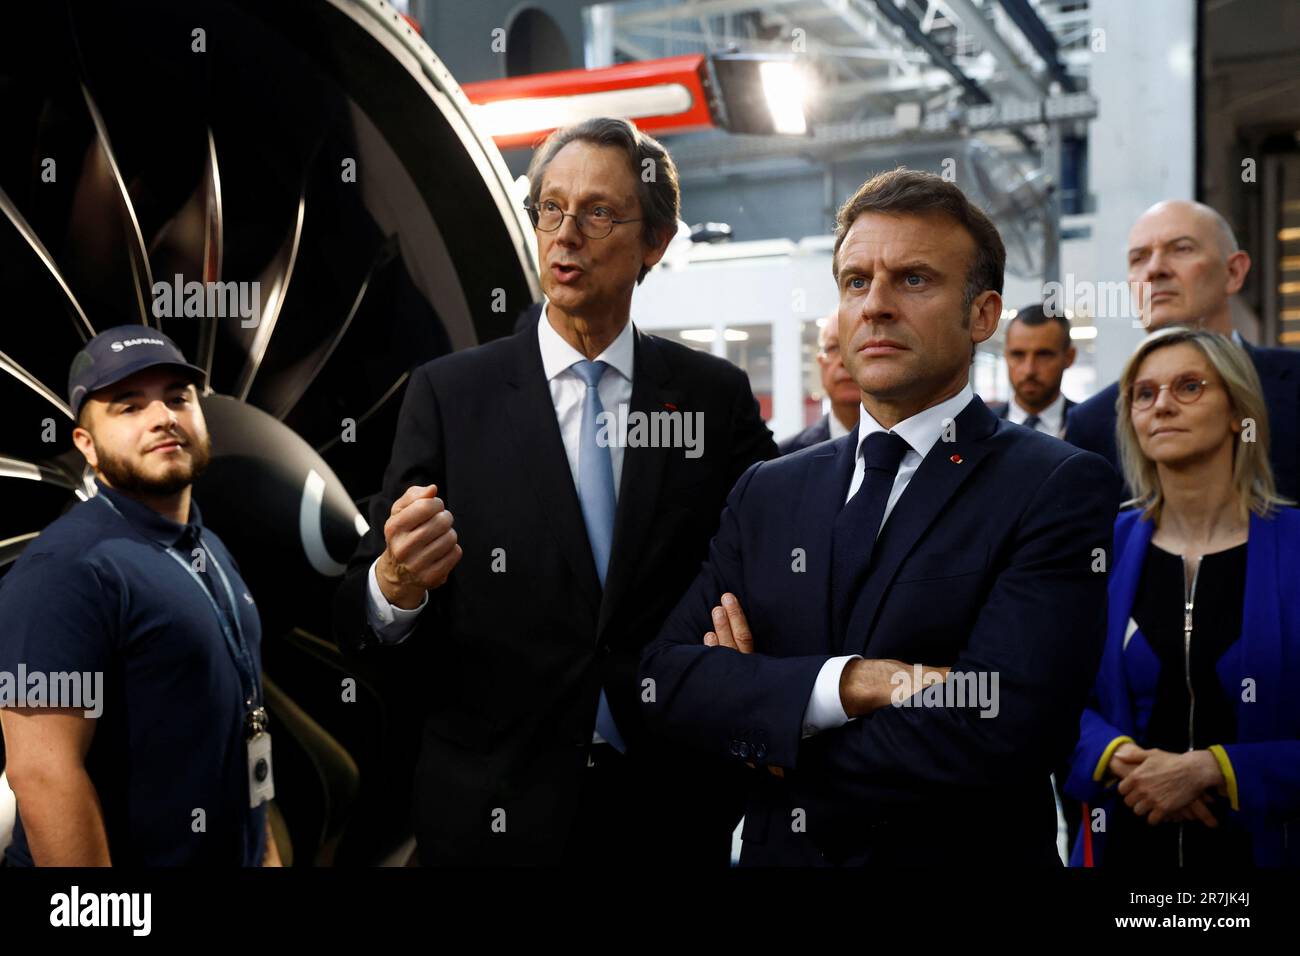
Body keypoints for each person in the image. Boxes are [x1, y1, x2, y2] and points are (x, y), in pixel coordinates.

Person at [639, 168, 1119, 867]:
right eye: (856, 282)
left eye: (914, 279)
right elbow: (667, 682)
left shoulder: (1056, 486)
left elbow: (1005, 731)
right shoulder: (768, 491)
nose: (876, 306)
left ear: (983, 314)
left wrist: (770, 721)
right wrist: (852, 683)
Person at [332, 117, 777, 866]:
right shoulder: (449, 397)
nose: (566, 234)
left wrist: (756, 636)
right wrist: (395, 584)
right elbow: (358, 611)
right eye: (550, 207)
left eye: (599, 212)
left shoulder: (710, 399)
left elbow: (767, 557)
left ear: (654, 244)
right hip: (491, 815)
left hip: (667, 810)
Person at [0, 327, 279, 866]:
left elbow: (241, 724)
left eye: (178, 398)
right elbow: (42, 772)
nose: (162, 418)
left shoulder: (208, 547)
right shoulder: (63, 572)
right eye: (129, 407)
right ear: (86, 445)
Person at [1065, 327, 1300, 867]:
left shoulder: (1292, 545)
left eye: (1189, 387)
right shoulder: (1100, 548)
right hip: (1123, 843)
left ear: (1238, 411)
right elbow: (1051, 694)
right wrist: (1116, 756)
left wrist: (1216, 771)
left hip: (1259, 852)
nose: (1162, 405)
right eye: (1144, 394)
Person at [1067, 200, 1300, 499]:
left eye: (1181, 249)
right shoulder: (1092, 425)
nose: (1155, 269)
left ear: (1233, 272)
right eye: (1139, 258)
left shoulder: (1294, 385)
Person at [985, 304, 1076, 437]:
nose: (1029, 370)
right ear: (1006, 355)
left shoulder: (1093, 427)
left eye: (1043, 355)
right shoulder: (980, 427)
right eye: (1018, 354)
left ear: (1069, 357)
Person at [780, 315, 860, 453]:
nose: (844, 361)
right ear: (821, 363)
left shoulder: (906, 449)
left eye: (859, 345)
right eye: (833, 348)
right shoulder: (784, 456)